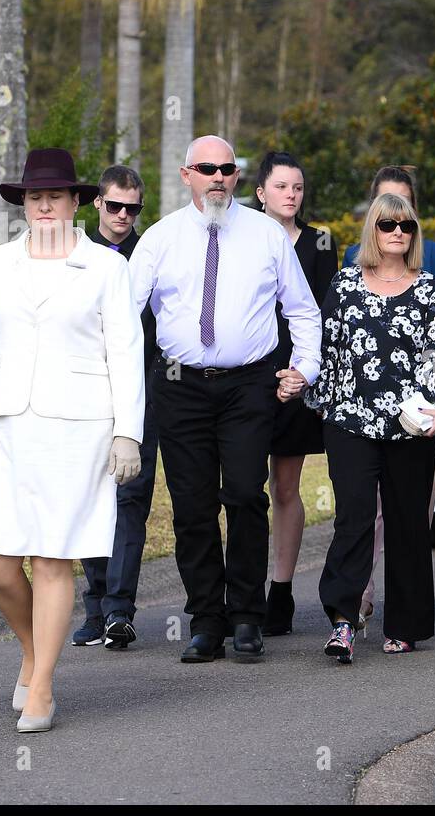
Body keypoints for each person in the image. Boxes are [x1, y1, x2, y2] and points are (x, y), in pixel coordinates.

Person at [0, 147, 145, 732]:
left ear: (76, 202)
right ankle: (31, 650)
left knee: (52, 556)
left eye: (55, 196)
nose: (44, 205)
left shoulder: (106, 268)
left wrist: (129, 432)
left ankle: (42, 684)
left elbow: (125, 354)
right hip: (4, 426)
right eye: (34, 197)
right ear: (24, 204)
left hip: (78, 427)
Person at [128, 135, 321, 664]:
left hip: (248, 385)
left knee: (243, 494)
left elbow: (303, 310)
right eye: (206, 168)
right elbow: (123, 314)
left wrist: (303, 368)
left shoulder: (265, 236)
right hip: (179, 385)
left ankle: (247, 617)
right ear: (186, 173)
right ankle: (206, 620)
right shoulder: (160, 238)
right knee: (191, 506)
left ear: (237, 177)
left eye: (227, 168)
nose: (218, 176)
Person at [305, 192, 435, 663]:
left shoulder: (430, 287)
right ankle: (344, 621)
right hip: (350, 421)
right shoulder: (346, 284)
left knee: (408, 523)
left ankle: (406, 625)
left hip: (411, 425)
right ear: (372, 229)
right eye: (388, 224)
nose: (397, 232)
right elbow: (327, 351)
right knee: (353, 518)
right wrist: (309, 393)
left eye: (406, 226)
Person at [343, 166, 435, 632]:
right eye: (386, 213)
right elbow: (344, 337)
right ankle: (361, 598)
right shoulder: (352, 259)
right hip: (364, 413)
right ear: (373, 213)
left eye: (404, 214)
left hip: (421, 409)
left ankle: (404, 613)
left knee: (412, 511)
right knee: (364, 512)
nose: (395, 224)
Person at [253, 152, 338, 637]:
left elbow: (322, 312)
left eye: (298, 187)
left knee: (284, 486)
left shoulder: (320, 242)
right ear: (262, 192)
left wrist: (304, 372)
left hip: (298, 377)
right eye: (282, 186)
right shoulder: (239, 236)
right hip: (245, 373)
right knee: (241, 488)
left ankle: (280, 590)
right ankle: (237, 591)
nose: (291, 195)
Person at [73, 164, 157, 650]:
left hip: (145, 388)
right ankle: (96, 604)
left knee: (131, 497)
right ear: (97, 205)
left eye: (133, 208)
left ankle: (119, 612)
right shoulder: (76, 257)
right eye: (115, 206)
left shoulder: (148, 255)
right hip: (86, 392)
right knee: (91, 495)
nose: (124, 215)